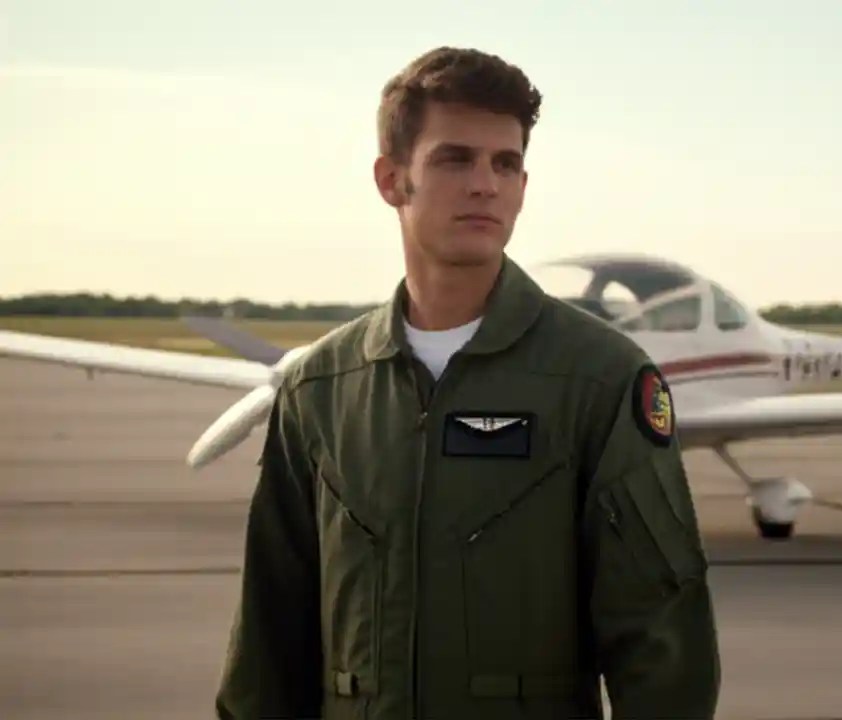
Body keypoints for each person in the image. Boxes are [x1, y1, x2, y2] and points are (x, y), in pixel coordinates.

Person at [214, 46, 721, 719]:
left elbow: (662, 646)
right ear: (392, 179)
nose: (486, 183)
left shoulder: (600, 380)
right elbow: (268, 636)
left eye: (505, 163)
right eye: (456, 158)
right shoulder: (320, 390)